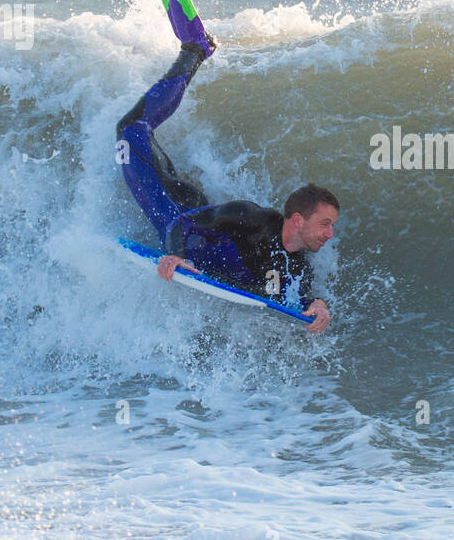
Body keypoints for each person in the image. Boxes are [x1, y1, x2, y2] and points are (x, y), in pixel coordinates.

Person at [116, 23, 336, 333]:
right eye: (325, 224)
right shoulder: (251, 216)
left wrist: (317, 306)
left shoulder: (293, 262)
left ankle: (194, 50)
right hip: (176, 214)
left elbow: (298, 298)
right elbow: (182, 225)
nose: (329, 235)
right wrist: (175, 256)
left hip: (201, 222)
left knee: (153, 153)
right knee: (129, 131)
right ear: (298, 220)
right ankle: (194, 50)